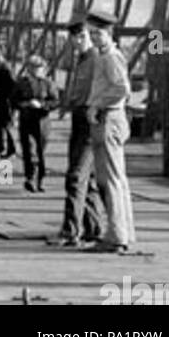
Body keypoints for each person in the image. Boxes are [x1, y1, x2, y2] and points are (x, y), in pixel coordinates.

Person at [85, 10, 136, 252]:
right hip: (107, 120)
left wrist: (97, 104)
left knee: (111, 180)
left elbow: (121, 89)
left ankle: (117, 236)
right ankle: (123, 232)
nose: (94, 37)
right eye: (91, 33)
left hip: (109, 120)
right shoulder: (103, 55)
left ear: (109, 33)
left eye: (98, 33)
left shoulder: (111, 57)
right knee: (115, 179)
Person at [59, 20, 103, 246]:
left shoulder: (96, 59)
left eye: (81, 36)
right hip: (78, 118)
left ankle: (71, 231)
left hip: (89, 120)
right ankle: (93, 229)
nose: (77, 41)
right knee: (89, 179)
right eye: (74, 37)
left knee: (76, 176)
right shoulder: (81, 60)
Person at [14, 53, 60, 192]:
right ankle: (30, 178)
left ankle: (40, 180)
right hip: (27, 120)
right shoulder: (21, 83)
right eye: (33, 67)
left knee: (40, 151)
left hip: (43, 122)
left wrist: (42, 105)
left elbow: (55, 101)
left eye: (38, 67)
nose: (36, 70)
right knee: (29, 150)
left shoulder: (48, 83)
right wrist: (26, 104)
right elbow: (13, 100)